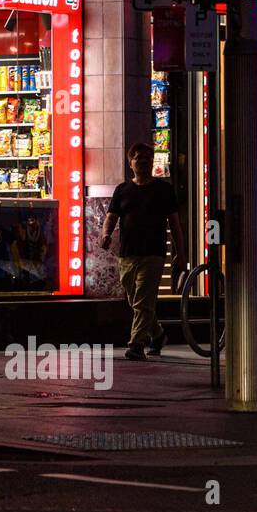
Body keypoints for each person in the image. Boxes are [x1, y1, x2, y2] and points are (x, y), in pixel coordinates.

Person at [99, 142, 185, 361]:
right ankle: (158, 335)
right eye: (139, 158)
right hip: (127, 254)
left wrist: (180, 252)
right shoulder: (122, 190)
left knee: (143, 300)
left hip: (154, 253)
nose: (143, 162)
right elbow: (111, 216)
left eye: (148, 158)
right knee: (135, 300)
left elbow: (175, 223)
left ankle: (136, 344)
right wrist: (106, 234)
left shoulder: (164, 190)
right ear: (131, 163)